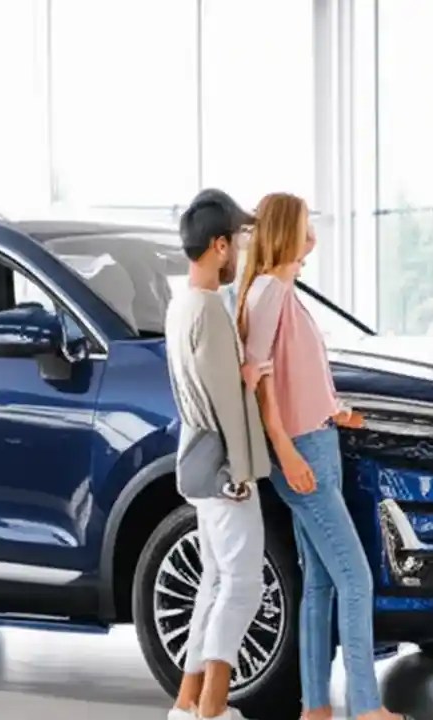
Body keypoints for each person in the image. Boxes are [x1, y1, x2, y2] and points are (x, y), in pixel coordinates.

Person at [238, 192, 404, 720]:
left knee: (323, 583)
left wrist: (336, 409)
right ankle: (366, 708)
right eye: (308, 221)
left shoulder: (285, 290)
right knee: (356, 577)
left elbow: (294, 372)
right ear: (289, 229)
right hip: (300, 450)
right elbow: (255, 375)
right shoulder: (268, 291)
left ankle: (315, 708)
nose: (315, 230)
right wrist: (285, 450)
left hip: (319, 438)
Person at [165, 189, 271, 720]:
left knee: (214, 581)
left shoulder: (179, 305)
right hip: (226, 468)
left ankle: (187, 703)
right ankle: (211, 709)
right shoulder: (209, 308)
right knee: (244, 584)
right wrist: (249, 380)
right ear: (220, 245)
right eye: (240, 243)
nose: (242, 256)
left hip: (198, 461)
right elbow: (228, 400)